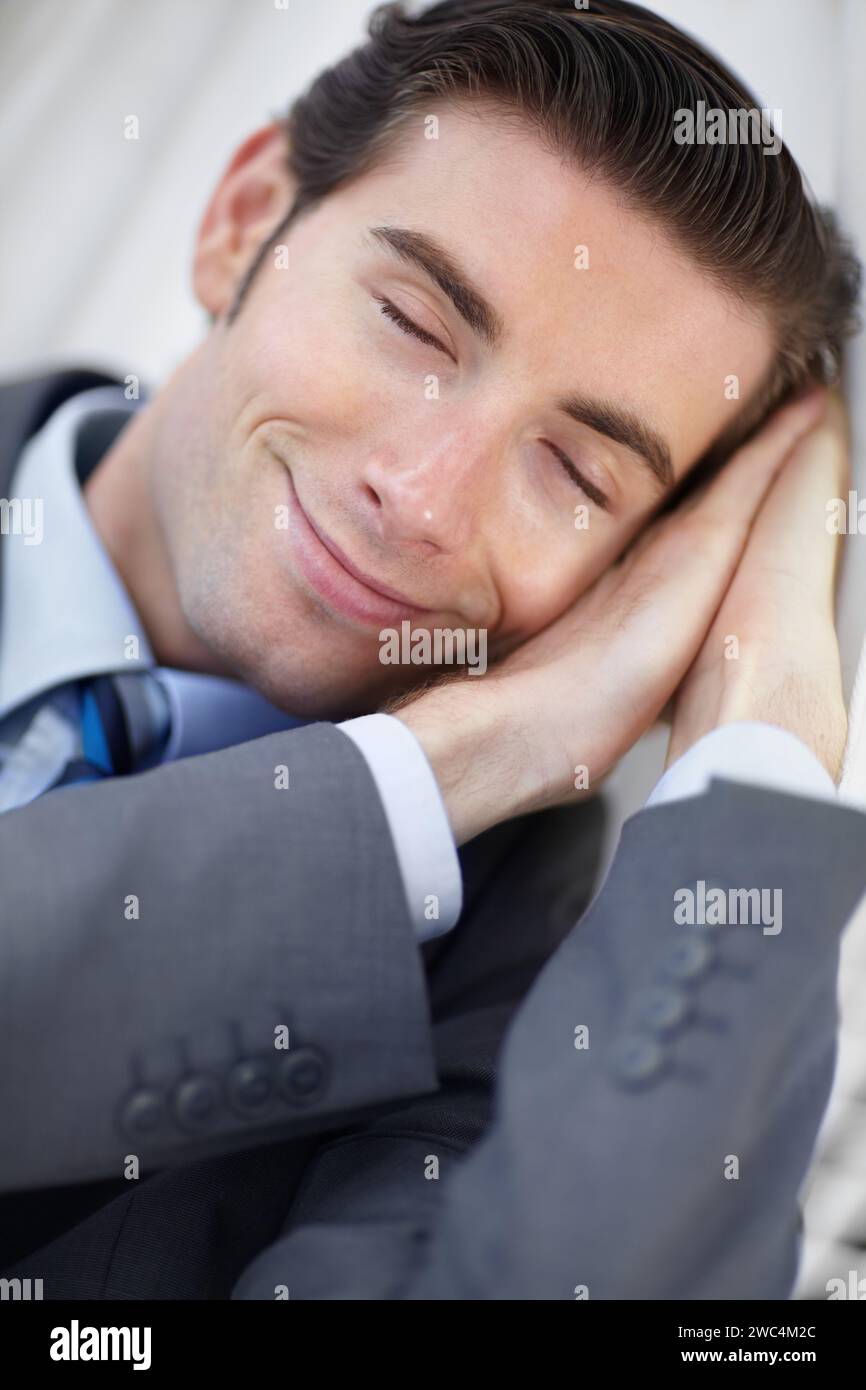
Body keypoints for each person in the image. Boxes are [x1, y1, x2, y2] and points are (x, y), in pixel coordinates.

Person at [1, 0, 863, 1299]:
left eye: (573, 469)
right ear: (243, 225)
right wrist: (431, 771)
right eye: (412, 324)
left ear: (636, 578)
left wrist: (761, 734)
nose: (420, 490)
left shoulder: (519, 995)